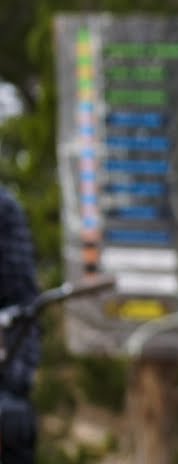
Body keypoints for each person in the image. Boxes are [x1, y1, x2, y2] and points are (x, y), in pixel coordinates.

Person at [0, 185, 40, 464]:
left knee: (14, 423)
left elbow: (23, 305)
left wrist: (13, 383)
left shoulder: (3, 208)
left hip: (4, 383)